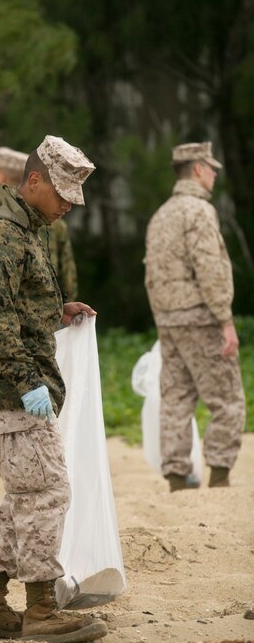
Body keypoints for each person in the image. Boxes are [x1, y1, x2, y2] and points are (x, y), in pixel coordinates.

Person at [0, 135, 108, 643]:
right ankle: (41, 608)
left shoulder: (27, 227)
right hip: (13, 385)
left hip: (16, 381)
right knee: (47, 492)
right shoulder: (2, 233)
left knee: (24, 493)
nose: (68, 204)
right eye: (62, 192)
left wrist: (55, 311)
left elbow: (18, 304)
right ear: (34, 179)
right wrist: (28, 384)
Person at [144, 142, 246, 492]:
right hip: (201, 317)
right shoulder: (199, 212)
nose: (215, 173)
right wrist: (225, 320)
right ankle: (219, 476)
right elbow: (210, 268)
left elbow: (152, 275)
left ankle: (176, 480)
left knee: (175, 398)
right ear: (198, 170)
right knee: (227, 398)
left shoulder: (160, 215)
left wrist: (162, 317)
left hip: (168, 320)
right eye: (210, 167)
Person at [0, 146, 78, 328]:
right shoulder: (54, 221)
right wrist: (63, 304)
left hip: (18, 327)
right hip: (41, 321)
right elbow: (68, 271)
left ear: (2, 177)